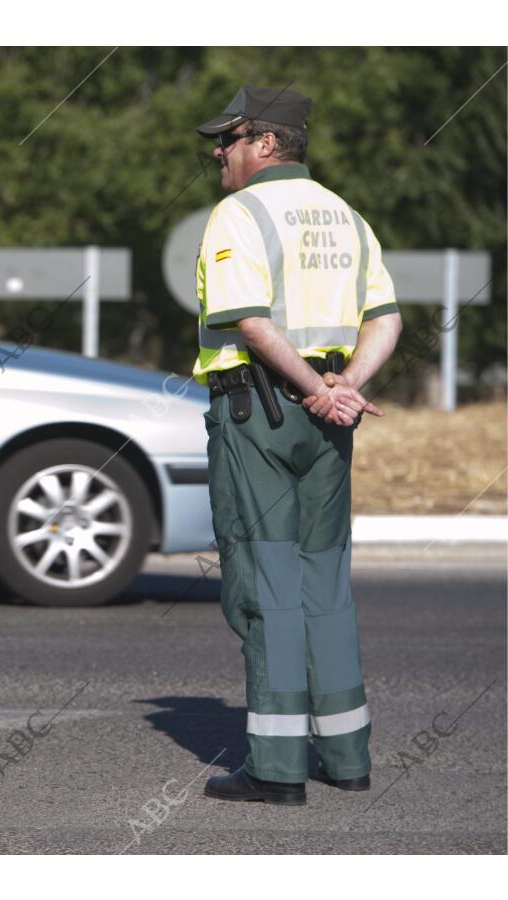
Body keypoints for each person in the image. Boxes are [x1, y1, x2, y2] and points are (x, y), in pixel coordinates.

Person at [190, 86, 403, 805]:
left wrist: (313, 385)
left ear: (268, 144)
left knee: (270, 585)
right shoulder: (347, 216)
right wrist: (342, 387)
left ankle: (277, 769)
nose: (218, 152)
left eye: (230, 140)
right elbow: (387, 318)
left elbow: (248, 321)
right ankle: (347, 757)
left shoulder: (240, 214)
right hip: (328, 424)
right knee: (325, 585)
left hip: (261, 416)